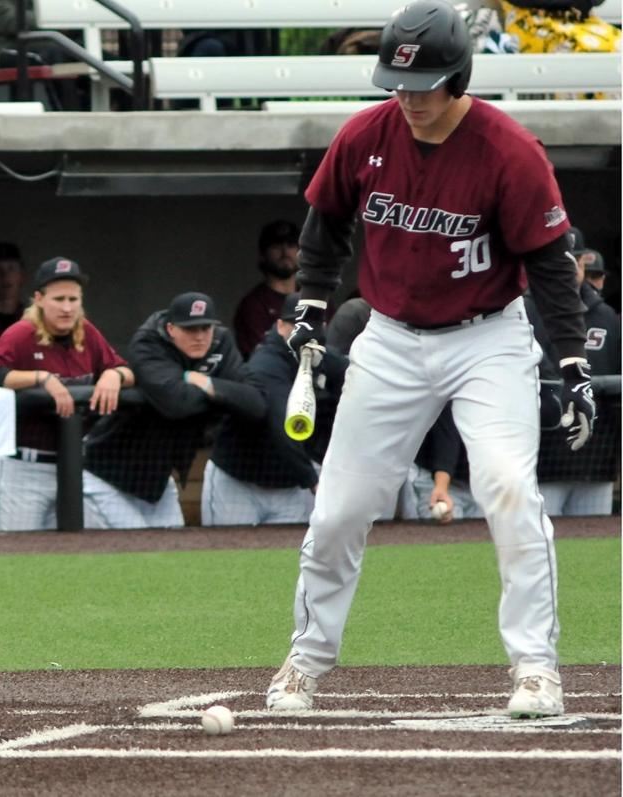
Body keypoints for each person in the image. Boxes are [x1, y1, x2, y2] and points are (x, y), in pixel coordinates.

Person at [264, 0, 594, 720]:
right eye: (399, 83)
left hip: (488, 336)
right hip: (390, 336)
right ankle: (306, 659)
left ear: (460, 76)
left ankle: (536, 667)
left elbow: (548, 262)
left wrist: (570, 361)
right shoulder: (366, 134)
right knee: (341, 507)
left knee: (508, 487)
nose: (409, 97)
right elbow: (324, 228)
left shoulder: (508, 149)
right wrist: (312, 305)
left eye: (425, 84)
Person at [81, 292, 265, 529]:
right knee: (136, 552)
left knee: (176, 551)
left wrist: (206, 383)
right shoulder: (148, 343)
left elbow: (256, 404)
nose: (199, 337)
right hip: (107, 475)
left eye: (205, 328)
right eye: (190, 329)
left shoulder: (221, 341)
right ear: (171, 329)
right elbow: (178, 404)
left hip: (155, 482)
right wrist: (224, 396)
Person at [0, 257, 133, 531]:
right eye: (58, 299)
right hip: (23, 466)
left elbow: (126, 370)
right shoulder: (22, 333)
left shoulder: (86, 332)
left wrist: (114, 374)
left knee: (84, 549)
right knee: (17, 555)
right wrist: (40, 378)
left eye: (73, 299)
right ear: (39, 298)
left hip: (73, 467)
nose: (67, 307)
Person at [204, 294, 347, 526]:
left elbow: (354, 382)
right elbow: (282, 424)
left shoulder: (323, 357)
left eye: (313, 326)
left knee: (288, 557)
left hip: (290, 485)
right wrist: (314, 481)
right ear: (281, 326)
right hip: (240, 482)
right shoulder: (266, 363)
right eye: (298, 326)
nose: (306, 335)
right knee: (229, 556)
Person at [534, 245, 620, 515]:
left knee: (594, 542)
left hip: (598, 459)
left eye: (576, 262)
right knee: (542, 538)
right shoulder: (527, 311)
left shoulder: (607, 317)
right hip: (543, 458)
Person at [232, 219, 301, 358]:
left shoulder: (315, 297)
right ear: (263, 255)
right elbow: (259, 355)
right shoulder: (253, 305)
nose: (285, 251)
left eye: (291, 245)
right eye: (276, 246)